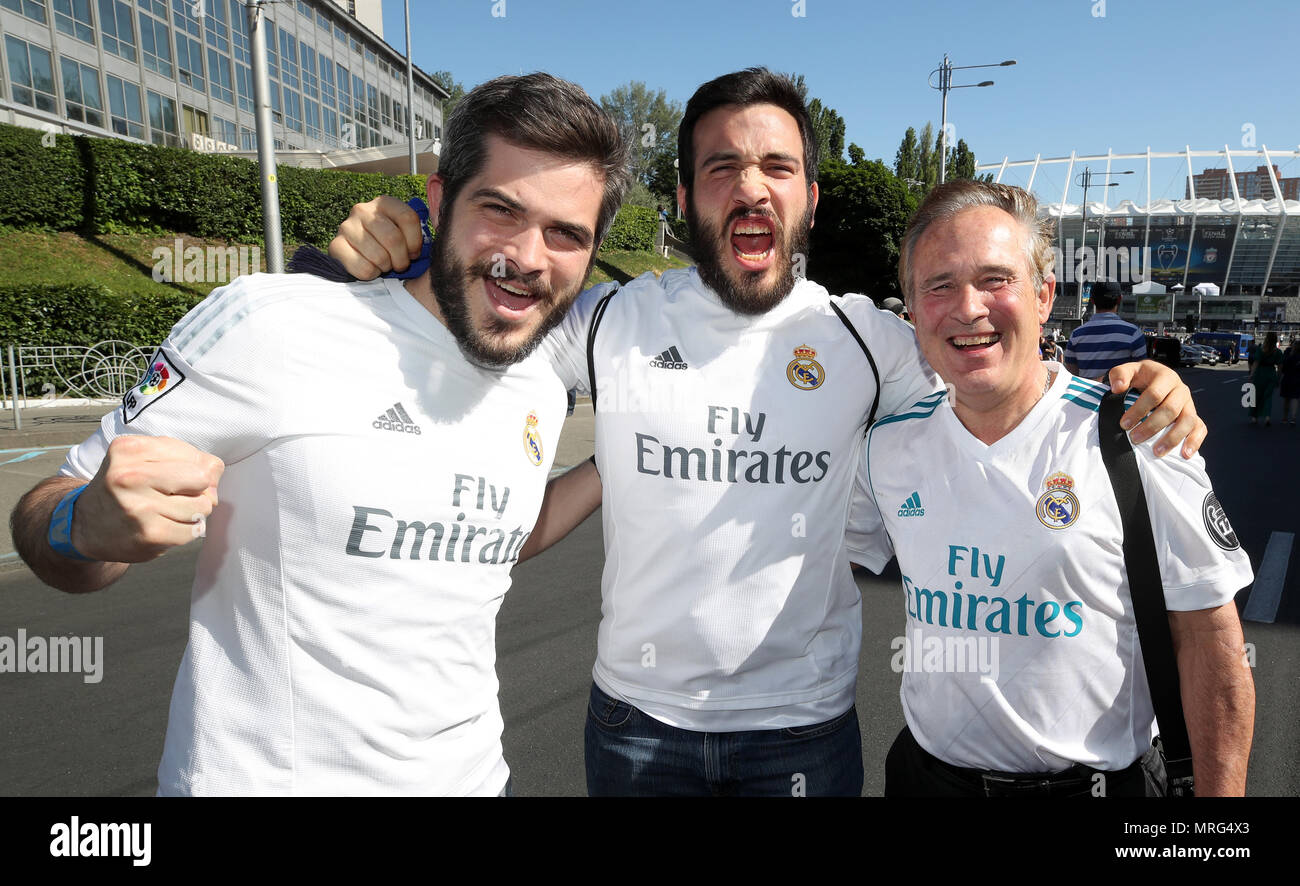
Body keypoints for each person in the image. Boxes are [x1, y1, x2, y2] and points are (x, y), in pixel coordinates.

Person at [328, 68, 1206, 797]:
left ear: (809, 197)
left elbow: (998, 375)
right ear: (684, 195)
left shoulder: (869, 338)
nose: (750, 186)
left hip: (802, 730)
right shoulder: (607, 319)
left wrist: (1136, 389)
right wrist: (392, 241)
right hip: (636, 725)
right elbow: (466, 322)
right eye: (721, 167)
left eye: (776, 167)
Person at [9, 74, 626, 795]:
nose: (526, 256)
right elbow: (50, 519)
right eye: (500, 210)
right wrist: (82, 526)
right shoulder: (276, 323)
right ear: (438, 200)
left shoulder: (541, 386)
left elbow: (486, 541)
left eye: (565, 234)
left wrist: (617, 463)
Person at [846, 181, 1255, 796]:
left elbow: (1210, 642)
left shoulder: (1139, 435)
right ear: (911, 309)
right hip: (924, 781)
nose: (968, 308)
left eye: (994, 279)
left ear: (1043, 296)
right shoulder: (885, 448)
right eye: (939, 285)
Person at [1064, 281, 1147, 380]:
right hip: (1118, 394)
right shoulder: (1133, 333)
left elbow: (1072, 374)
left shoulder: (1076, 335)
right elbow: (1141, 371)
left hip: (1085, 394)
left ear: (1092, 300)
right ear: (1119, 299)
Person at [1248, 331, 1283, 426]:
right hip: (1271, 374)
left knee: (1256, 396)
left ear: (1266, 339)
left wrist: (1251, 374)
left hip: (1260, 374)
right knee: (1268, 397)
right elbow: (1280, 367)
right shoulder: (1278, 352)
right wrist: (1278, 378)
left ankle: (1254, 418)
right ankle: (1267, 417)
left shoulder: (1260, 350)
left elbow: (1256, 363)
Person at [1280, 340, 1300, 426]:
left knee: (1287, 398)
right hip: (1298, 379)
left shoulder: (1287, 353)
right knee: (1295, 398)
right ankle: (1293, 418)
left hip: (1287, 378)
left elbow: (1283, 366)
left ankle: (1285, 417)